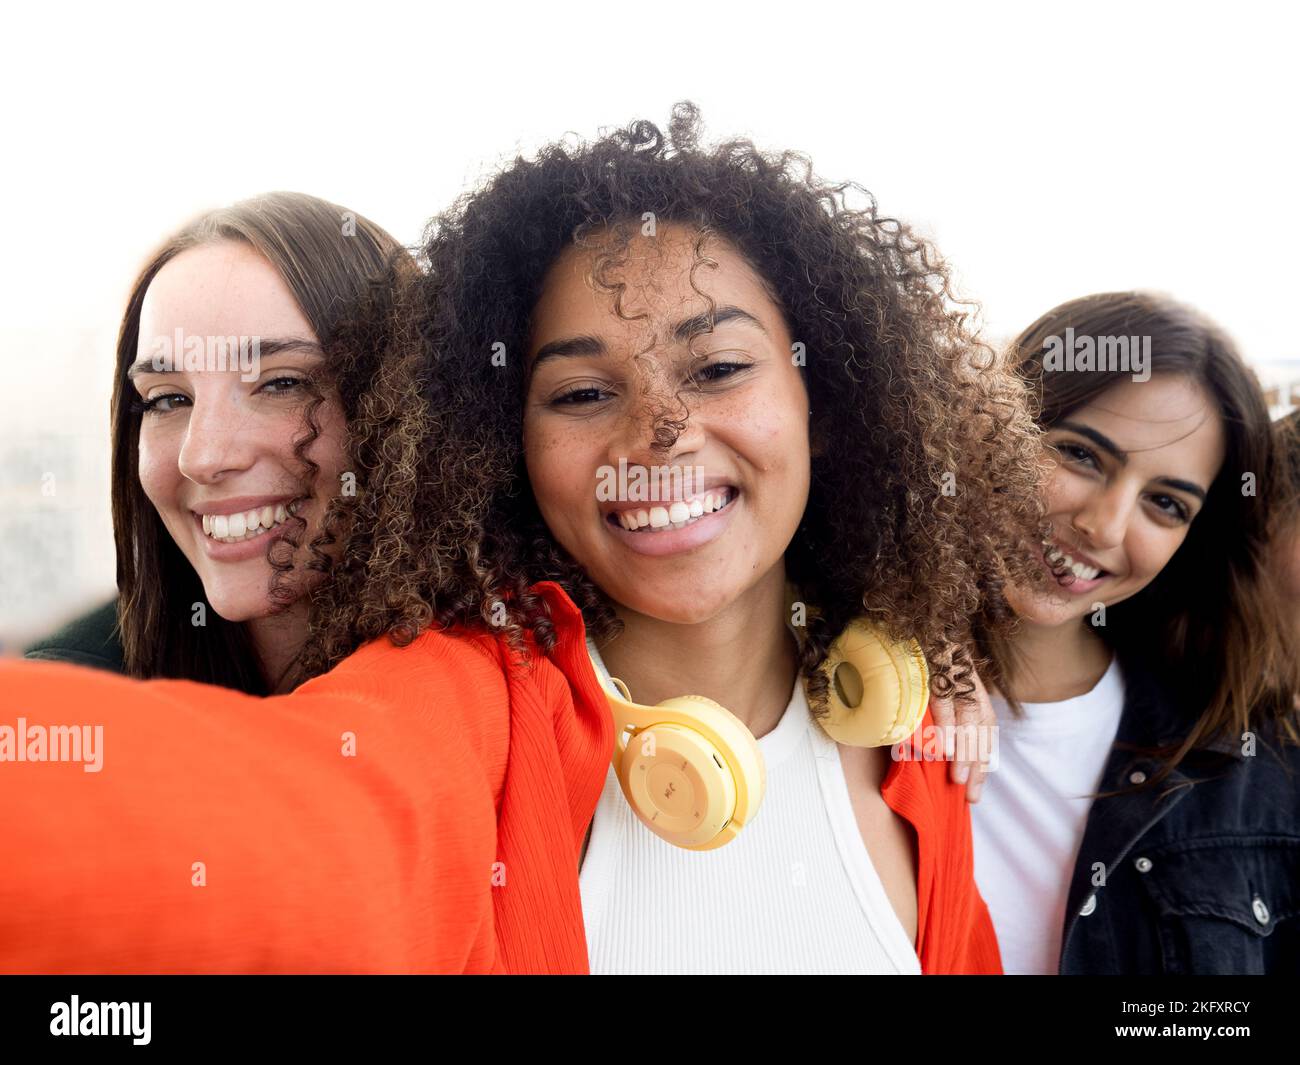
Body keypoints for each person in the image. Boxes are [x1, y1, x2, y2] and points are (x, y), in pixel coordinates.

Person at [0, 106, 1043, 973]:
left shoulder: (910, 743)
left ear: (834, 395)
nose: (657, 439)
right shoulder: (472, 700)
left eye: (718, 368)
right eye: (583, 392)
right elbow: (294, 827)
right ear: (493, 442)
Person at [968, 292, 1300, 974]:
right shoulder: (837, 662)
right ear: (990, 423)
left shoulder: (1246, 769)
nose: (1106, 525)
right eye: (1081, 455)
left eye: (1166, 503)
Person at [23, 191, 410, 692]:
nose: (202, 458)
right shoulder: (66, 704)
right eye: (168, 400)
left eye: (282, 383)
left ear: (407, 405)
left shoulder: (521, 694)